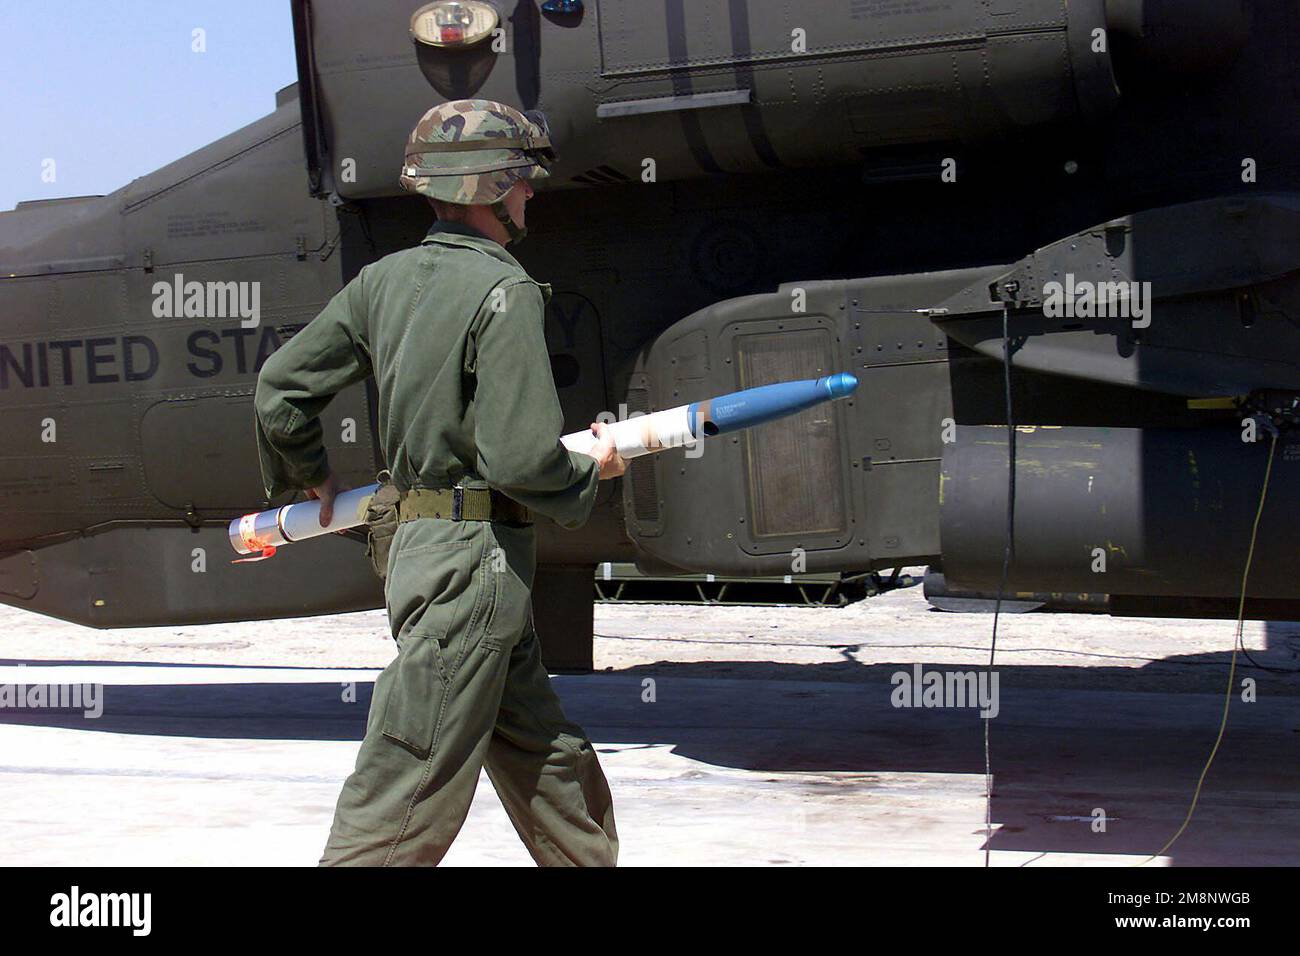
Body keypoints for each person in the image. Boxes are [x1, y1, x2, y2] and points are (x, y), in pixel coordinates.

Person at [253, 98, 624, 866]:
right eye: (524, 179)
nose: (531, 194)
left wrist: (312, 479)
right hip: (475, 562)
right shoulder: (506, 290)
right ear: (492, 187)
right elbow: (520, 460)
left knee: (546, 757)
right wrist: (587, 470)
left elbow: (280, 391)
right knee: (406, 783)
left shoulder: (380, 284)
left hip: (421, 554)